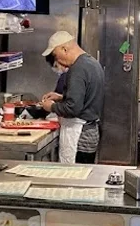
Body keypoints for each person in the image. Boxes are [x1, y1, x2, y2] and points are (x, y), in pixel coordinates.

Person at [41, 31, 104, 164]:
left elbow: (73, 108)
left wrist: (51, 106)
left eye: (55, 55)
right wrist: (61, 97)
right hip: (91, 133)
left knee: (74, 175)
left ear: (64, 49)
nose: (57, 60)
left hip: (79, 137)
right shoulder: (92, 63)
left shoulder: (77, 69)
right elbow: (87, 97)